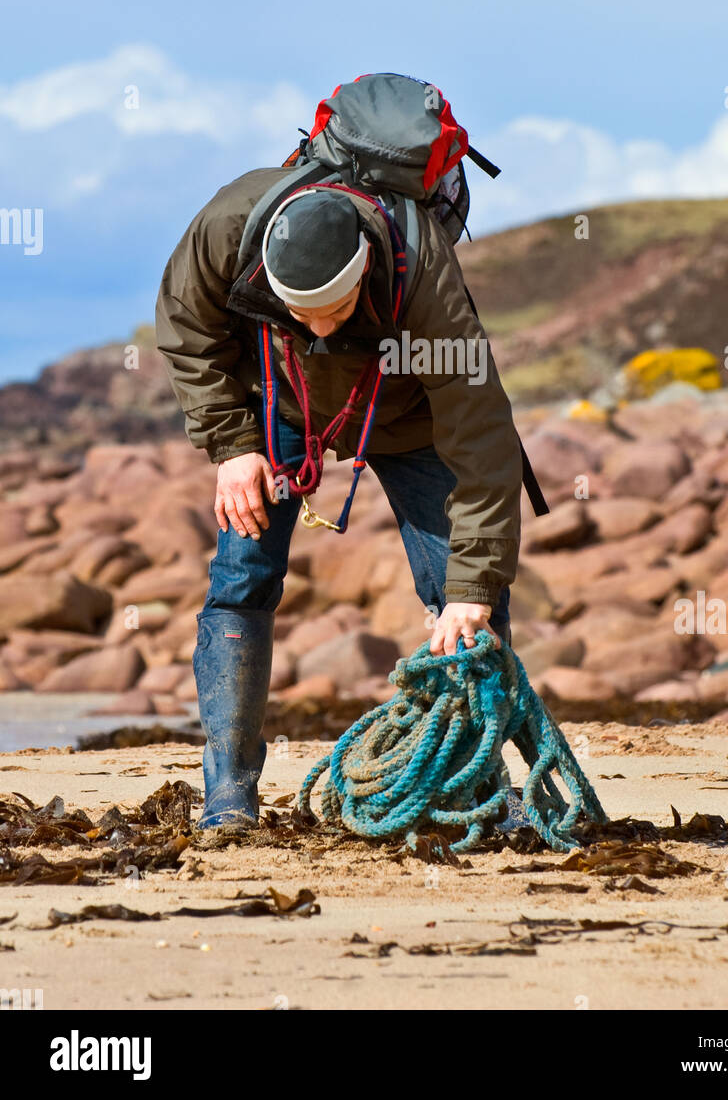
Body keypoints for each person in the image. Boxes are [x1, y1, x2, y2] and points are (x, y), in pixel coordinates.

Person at [155, 170, 523, 827]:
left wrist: (473, 588)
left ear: (365, 267)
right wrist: (232, 445)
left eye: (337, 307)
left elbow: (482, 433)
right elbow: (187, 330)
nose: (321, 326)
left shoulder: (425, 279)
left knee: (465, 597)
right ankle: (228, 794)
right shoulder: (227, 228)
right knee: (242, 577)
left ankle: (472, 787)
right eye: (302, 312)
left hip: (407, 414)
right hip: (278, 403)